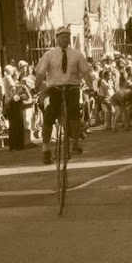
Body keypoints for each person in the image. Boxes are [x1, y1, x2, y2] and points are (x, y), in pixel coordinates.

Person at [34, 26, 88, 166]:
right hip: (55, 88)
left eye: (66, 37)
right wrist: (37, 86)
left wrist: (91, 87)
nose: (64, 39)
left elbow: (86, 72)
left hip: (72, 87)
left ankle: (75, 143)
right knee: (49, 114)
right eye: (61, 37)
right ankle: (45, 149)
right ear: (57, 39)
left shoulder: (77, 54)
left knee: (74, 112)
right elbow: (40, 73)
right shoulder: (49, 54)